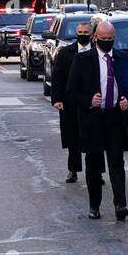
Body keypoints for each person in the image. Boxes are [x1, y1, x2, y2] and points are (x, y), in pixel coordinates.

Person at [67, 21, 128, 221]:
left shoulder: (124, 59)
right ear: (95, 38)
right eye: (103, 39)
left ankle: (120, 204)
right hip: (93, 119)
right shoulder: (82, 60)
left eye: (110, 40)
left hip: (115, 116)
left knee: (116, 162)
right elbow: (72, 91)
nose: (106, 42)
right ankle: (94, 206)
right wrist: (88, 101)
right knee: (93, 164)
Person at [50, 22, 92, 182]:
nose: (83, 35)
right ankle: (73, 170)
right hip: (70, 102)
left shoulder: (98, 52)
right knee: (73, 137)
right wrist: (57, 99)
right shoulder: (66, 53)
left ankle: (96, 172)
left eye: (86, 32)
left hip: (92, 101)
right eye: (80, 32)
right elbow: (57, 77)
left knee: (94, 139)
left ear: (92, 34)